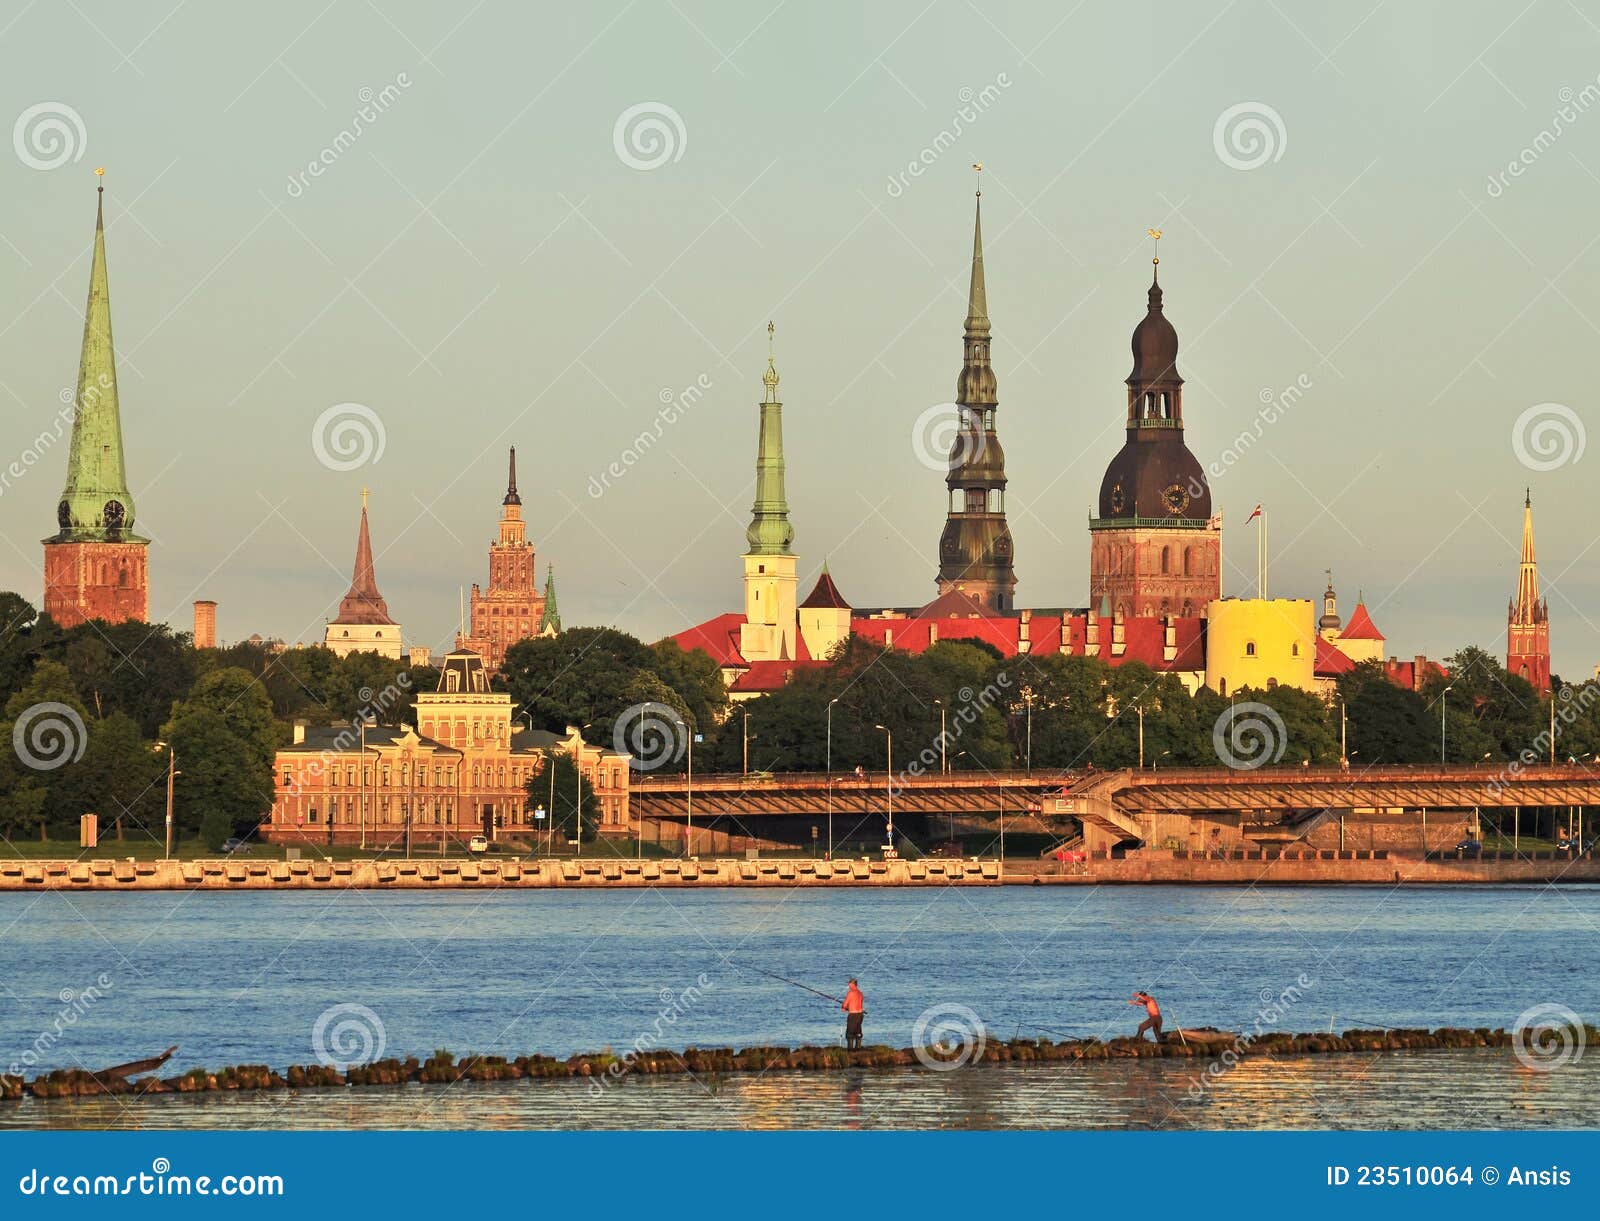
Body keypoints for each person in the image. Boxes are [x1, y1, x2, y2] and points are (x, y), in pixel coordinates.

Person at [842, 978, 865, 1050]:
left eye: (849, 983)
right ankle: (858, 1048)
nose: (848, 985)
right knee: (858, 1031)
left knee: (849, 1033)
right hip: (860, 1014)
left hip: (853, 1015)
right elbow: (859, 1004)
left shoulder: (850, 993)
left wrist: (843, 1007)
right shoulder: (861, 993)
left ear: (852, 984)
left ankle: (850, 1050)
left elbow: (845, 1004)